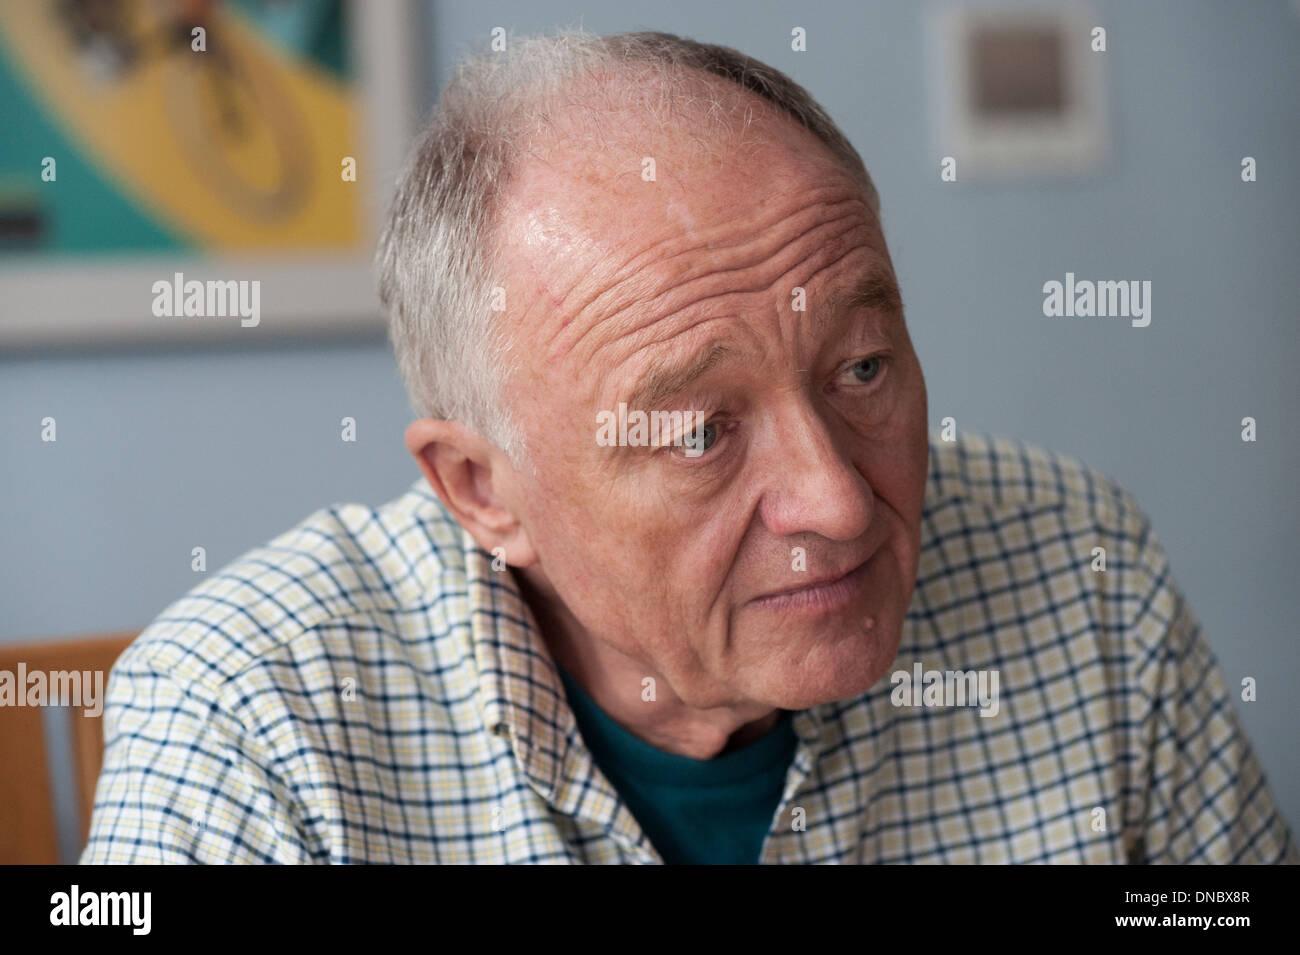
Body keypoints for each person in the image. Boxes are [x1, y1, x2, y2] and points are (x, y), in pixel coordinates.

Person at [82, 29, 1296, 864]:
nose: (834, 499)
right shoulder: (251, 713)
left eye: (861, 368)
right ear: (481, 488)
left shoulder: (1081, 570)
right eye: (700, 431)